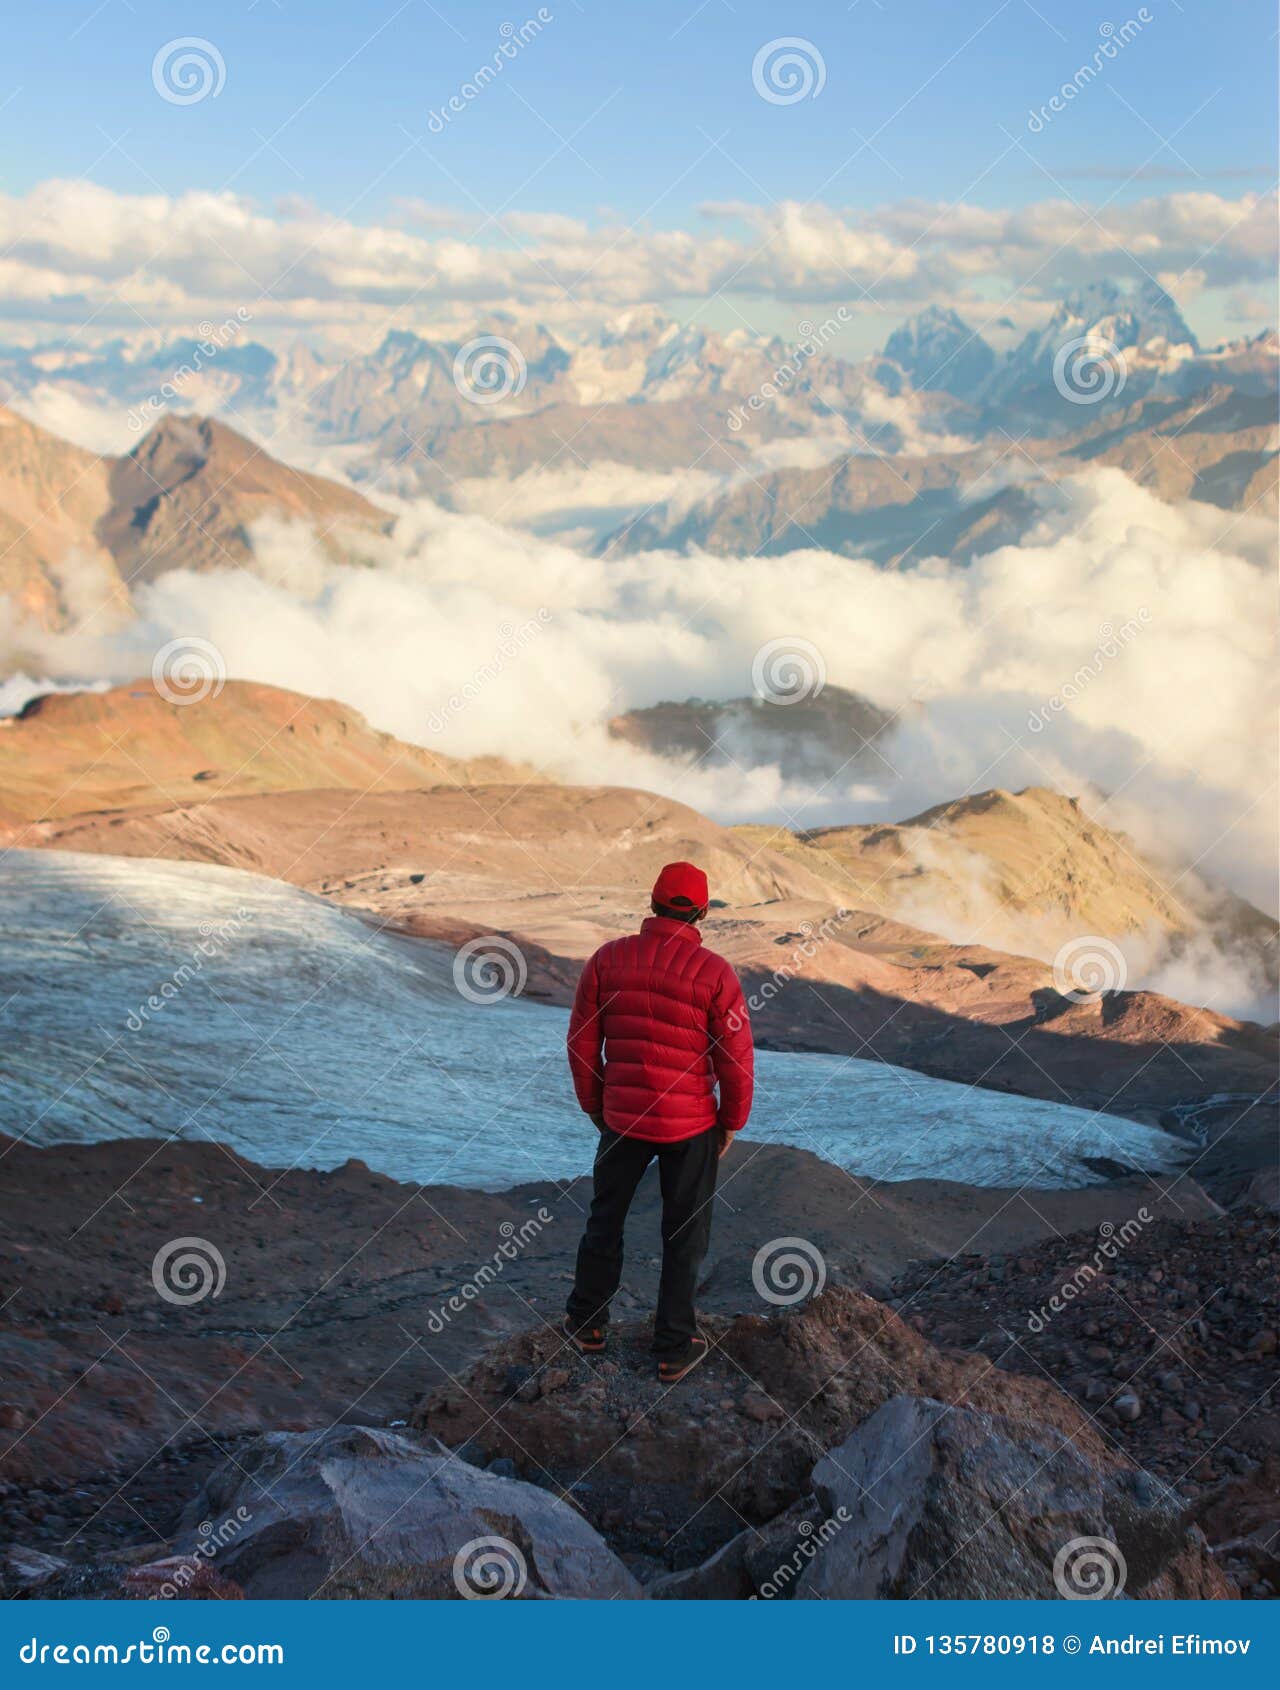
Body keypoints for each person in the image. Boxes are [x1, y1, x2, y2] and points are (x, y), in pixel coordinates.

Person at [563, 860, 754, 1382]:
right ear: (703, 912)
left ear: (651, 903)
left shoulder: (608, 959)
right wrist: (731, 1120)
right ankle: (673, 1346)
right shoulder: (716, 974)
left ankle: (587, 1324)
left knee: (606, 1219)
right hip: (689, 1125)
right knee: (684, 1233)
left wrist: (595, 1106)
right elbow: (735, 1057)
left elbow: (582, 1041)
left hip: (622, 1117)